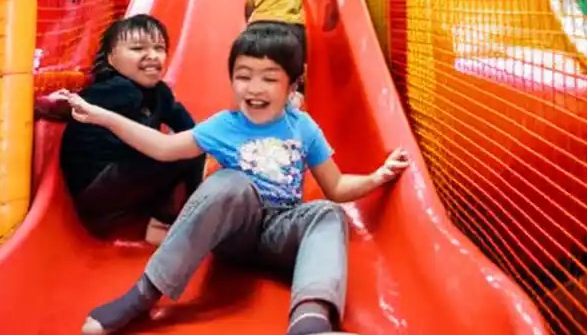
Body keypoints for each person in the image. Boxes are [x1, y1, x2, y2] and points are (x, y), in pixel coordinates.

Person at [51, 23, 411, 335]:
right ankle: (143, 295)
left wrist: (377, 176)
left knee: (328, 213)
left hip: (281, 233)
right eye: (243, 76)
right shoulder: (223, 125)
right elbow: (163, 147)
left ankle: (311, 321)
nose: (254, 88)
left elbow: (336, 187)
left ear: (292, 85)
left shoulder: (303, 127)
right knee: (229, 183)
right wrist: (102, 116)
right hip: (234, 234)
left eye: (269, 78)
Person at [50, 14, 205, 245]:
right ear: (112, 59)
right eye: (137, 48)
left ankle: (183, 211)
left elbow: (189, 127)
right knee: (184, 147)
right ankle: (183, 216)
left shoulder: (159, 92)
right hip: (98, 189)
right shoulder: (116, 88)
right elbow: (74, 105)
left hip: (120, 189)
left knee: (190, 143)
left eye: (159, 48)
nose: (152, 55)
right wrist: (53, 104)